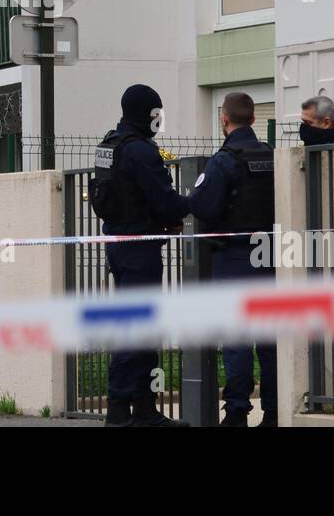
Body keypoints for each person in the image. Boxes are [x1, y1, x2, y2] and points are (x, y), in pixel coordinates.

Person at [93, 84, 190, 427]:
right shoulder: (141, 152)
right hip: (140, 248)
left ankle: (144, 408)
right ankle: (122, 411)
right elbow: (164, 201)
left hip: (118, 245)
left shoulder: (108, 146)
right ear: (145, 114)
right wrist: (191, 201)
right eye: (155, 114)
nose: (158, 120)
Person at [187, 92, 277, 427]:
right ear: (253, 119)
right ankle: (274, 410)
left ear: (224, 119)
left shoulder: (224, 160)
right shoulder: (271, 155)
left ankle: (237, 410)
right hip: (269, 256)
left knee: (237, 340)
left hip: (234, 257)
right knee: (269, 341)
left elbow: (203, 205)